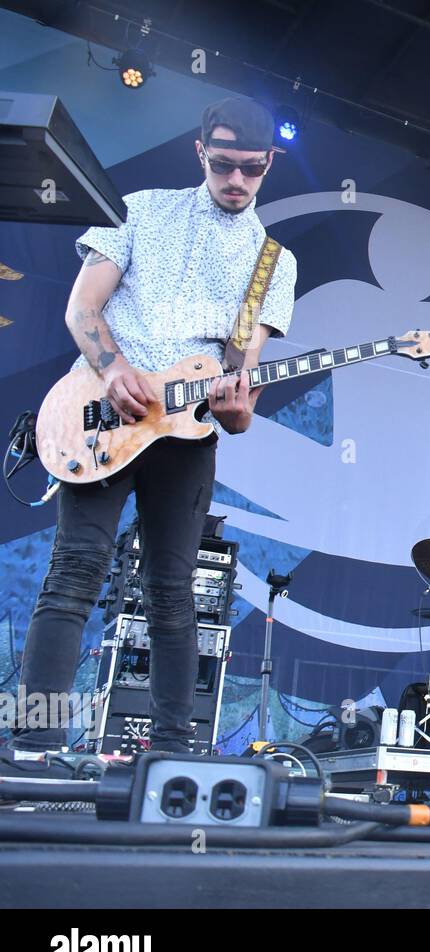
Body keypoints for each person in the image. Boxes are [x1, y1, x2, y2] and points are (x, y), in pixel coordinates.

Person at [12, 98, 297, 754]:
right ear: (200, 152)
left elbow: (240, 387)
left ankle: (174, 754)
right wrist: (113, 370)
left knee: (173, 592)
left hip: (186, 438)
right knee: (72, 574)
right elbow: (83, 308)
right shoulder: (140, 209)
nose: (237, 181)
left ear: (269, 164)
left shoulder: (272, 264)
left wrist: (236, 407)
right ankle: (33, 745)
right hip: (105, 417)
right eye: (223, 164)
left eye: (252, 170)